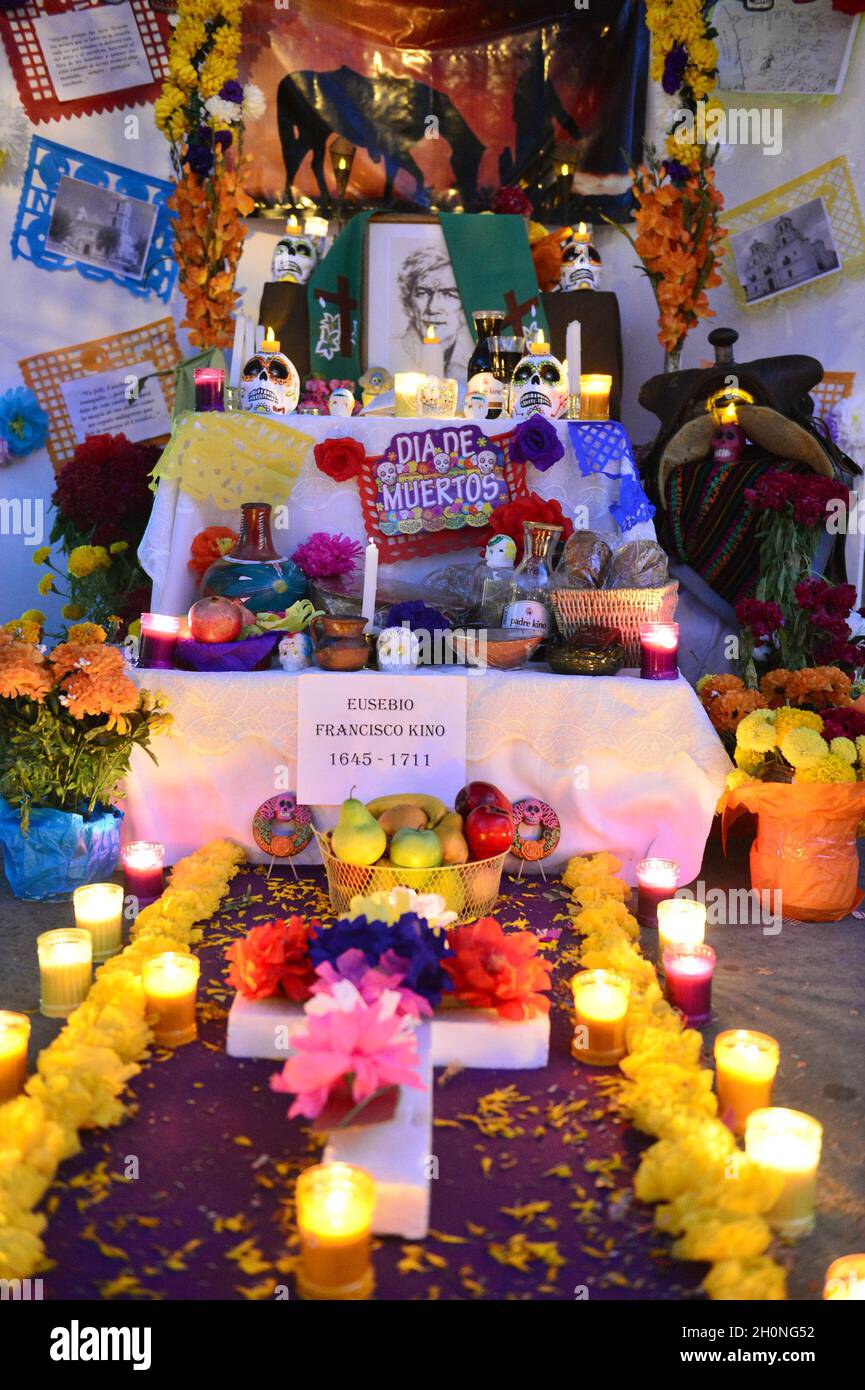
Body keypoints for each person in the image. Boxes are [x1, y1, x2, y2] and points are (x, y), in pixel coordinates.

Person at [396, 247, 471, 378]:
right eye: (423, 293)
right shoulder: (393, 353)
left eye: (448, 294)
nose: (433, 307)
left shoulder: (475, 359)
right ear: (409, 303)